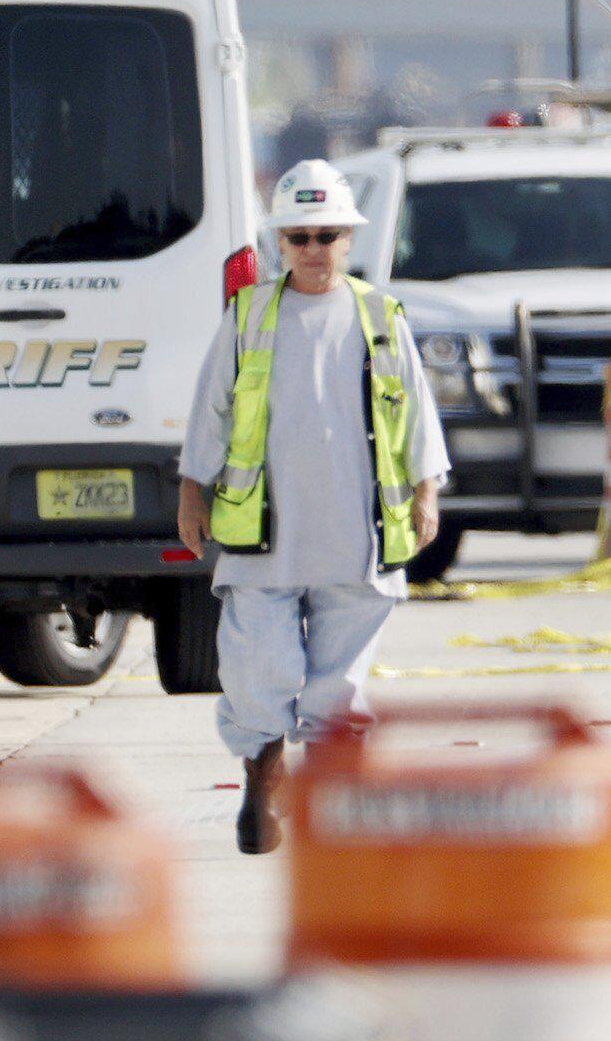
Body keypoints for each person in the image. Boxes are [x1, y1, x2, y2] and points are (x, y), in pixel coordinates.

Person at [177, 160, 449, 855]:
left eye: (326, 235)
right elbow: (211, 408)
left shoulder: (380, 318)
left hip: (354, 532)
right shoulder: (248, 317)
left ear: (348, 241)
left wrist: (425, 491)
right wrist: (192, 488)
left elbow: (415, 411)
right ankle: (264, 774)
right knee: (258, 664)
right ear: (280, 244)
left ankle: (331, 798)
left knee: (339, 682)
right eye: (299, 236)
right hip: (265, 530)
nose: (313, 249)